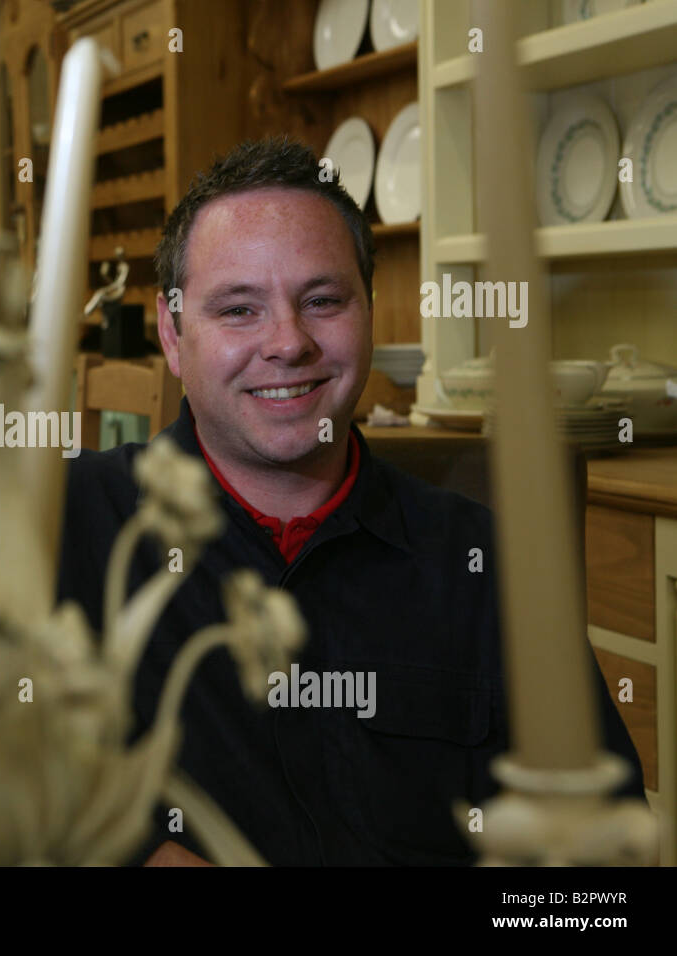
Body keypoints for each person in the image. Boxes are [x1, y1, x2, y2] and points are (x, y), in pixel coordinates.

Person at [56, 137, 645, 865]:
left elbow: (603, 880)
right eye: (239, 310)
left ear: (370, 310)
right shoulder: (63, 522)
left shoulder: (489, 564)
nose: (288, 343)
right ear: (174, 337)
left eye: (323, 300)